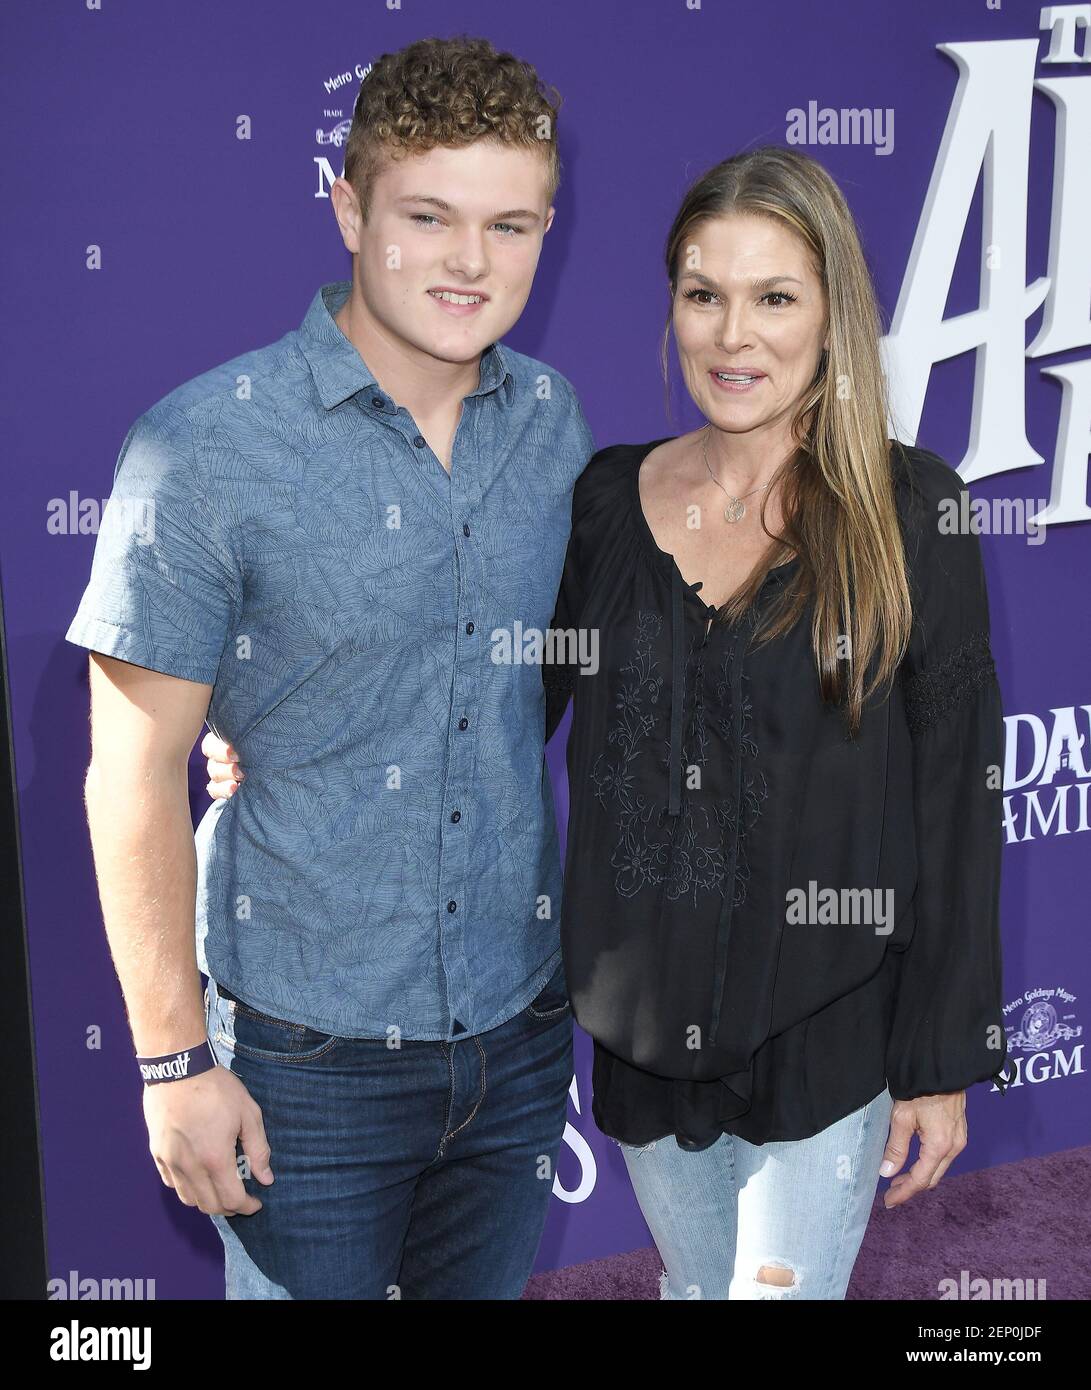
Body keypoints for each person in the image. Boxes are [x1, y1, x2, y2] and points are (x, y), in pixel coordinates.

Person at [208, 146, 1013, 1302]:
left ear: (833, 314)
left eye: (774, 297)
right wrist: (280, 734)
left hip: (831, 1019)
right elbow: (486, 709)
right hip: (645, 1023)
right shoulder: (603, 498)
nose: (733, 336)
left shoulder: (912, 512)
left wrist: (939, 1064)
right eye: (703, 295)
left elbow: (954, 799)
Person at [65, 36, 594, 1300]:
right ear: (349, 206)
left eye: (510, 224)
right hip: (304, 1061)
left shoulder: (555, 425)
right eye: (428, 215)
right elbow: (128, 776)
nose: (471, 261)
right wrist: (172, 1064)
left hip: (519, 1040)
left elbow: (535, 679)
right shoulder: (201, 452)